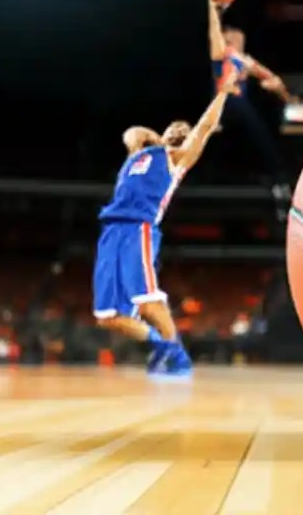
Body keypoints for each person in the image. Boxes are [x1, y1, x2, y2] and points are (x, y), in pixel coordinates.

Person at [91, 71, 237, 377]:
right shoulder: (140, 152)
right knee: (107, 316)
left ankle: (176, 357)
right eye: (175, 125)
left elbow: (206, 126)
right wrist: (157, 140)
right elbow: (132, 131)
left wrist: (222, 92)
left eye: (185, 128)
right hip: (110, 232)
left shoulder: (178, 160)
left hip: (138, 229)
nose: (180, 129)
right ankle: (163, 347)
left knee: (147, 304)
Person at [208, 0, 293, 198]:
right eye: (225, 33)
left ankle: (278, 179)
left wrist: (283, 94)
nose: (229, 37)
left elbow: (273, 79)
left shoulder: (244, 60)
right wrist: (214, 9)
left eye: (234, 33)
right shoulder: (220, 52)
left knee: (259, 134)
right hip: (221, 105)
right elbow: (214, 32)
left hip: (237, 104)